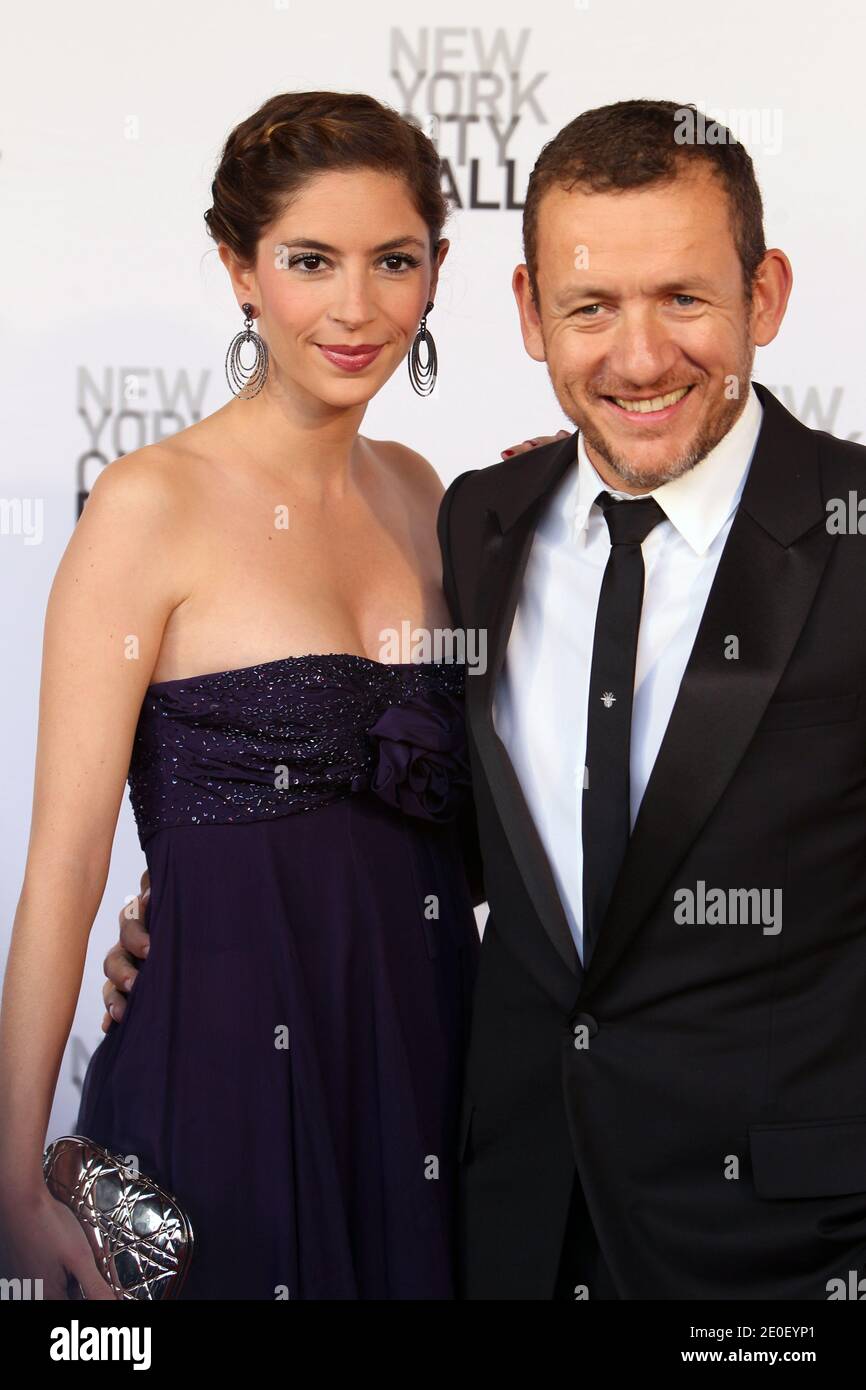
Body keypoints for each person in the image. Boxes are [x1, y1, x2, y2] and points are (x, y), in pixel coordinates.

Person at [0, 88, 562, 1301]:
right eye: (311, 260)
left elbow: (460, 834)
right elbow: (61, 868)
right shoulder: (148, 505)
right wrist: (10, 1183)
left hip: (427, 1056)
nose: (355, 307)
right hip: (225, 1067)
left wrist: (568, 513)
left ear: (435, 273)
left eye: (392, 261)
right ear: (240, 271)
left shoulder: (431, 499)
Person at [438, 98, 866, 1300]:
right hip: (516, 1220)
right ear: (530, 312)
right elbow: (477, 846)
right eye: (589, 306)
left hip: (792, 1246)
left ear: (763, 296)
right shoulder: (478, 520)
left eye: (682, 298)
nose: (636, 358)